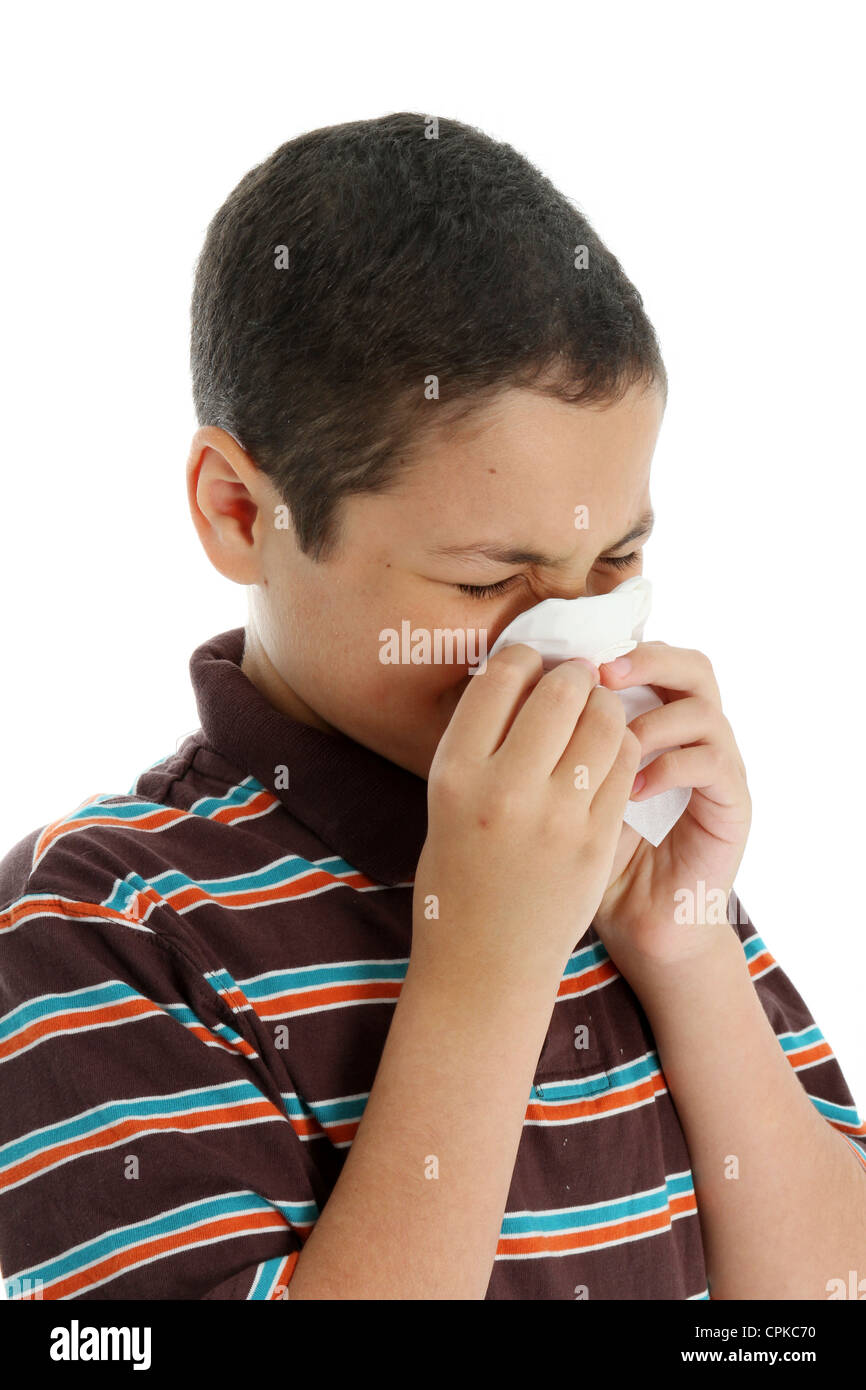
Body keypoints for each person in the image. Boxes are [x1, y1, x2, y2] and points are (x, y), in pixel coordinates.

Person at [1, 112, 864, 1301]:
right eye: (480, 580)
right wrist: (485, 973)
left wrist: (685, 947)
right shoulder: (106, 927)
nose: (565, 645)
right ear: (242, 514)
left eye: (613, 564)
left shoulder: (617, 853)